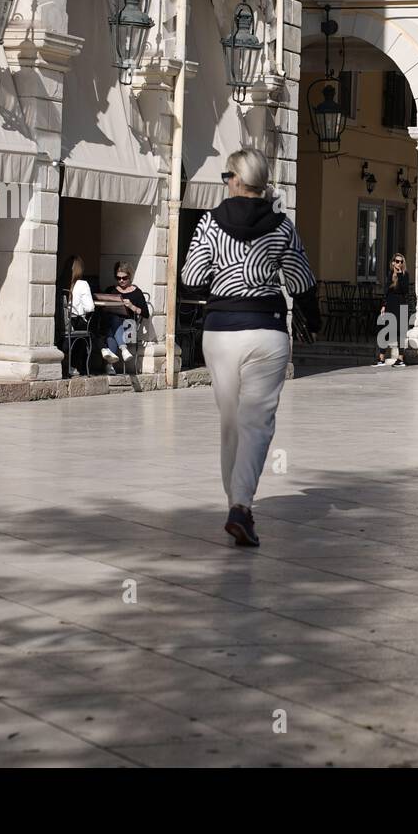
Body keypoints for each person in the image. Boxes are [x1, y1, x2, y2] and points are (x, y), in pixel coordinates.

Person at [181, 148, 321, 548]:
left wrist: (224, 274)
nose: (225, 181)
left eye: (227, 175)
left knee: (230, 423)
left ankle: (238, 505)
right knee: (256, 423)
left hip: (222, 330)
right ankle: (240, 506)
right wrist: (312, 320)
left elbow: (191, 277)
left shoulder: (209, 222)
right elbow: (301, 280)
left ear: (238, 181)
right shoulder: (282, 226)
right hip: (267, 330)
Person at [97, 261, 149, 374]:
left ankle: (109, 365)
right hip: (111, 323)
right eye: (118, 278)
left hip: (129, 326)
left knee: (113, 327)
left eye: (124, 278)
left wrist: (131, 306)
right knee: (114, 321)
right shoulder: (111, 290)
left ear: (130, 276)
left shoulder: (137, 293)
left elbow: (145, 313)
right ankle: (123, 349)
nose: (121, 280)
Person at [59, 255, 95, 376]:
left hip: (61, 322)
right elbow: (90, 307)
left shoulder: (60, 283)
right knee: (88, 332)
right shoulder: (82, 284)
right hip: (75, 322)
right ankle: (77, 366)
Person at [374, 253, 410, 367]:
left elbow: (405, 290)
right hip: (390, 305)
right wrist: (383, 305)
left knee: (400, 333)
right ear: (393, 262)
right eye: (397, 261)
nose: (399, 263)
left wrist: (399, 275)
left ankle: (401, 359)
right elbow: (386, 291)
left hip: (401, 305)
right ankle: (381, 358)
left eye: (401, 261)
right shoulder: (389, 274)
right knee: (385, 331)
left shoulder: (405, 275)